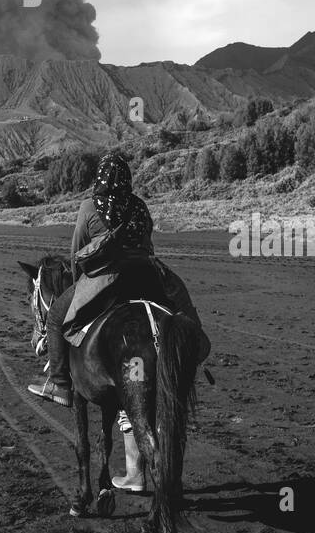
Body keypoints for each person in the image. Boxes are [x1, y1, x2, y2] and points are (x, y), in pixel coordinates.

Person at [28, 154, 211, 412]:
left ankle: (59, 384)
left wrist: (80, 285)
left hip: (108, 277)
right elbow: (148, 244)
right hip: (147, 273)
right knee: (179, 301)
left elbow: (76, 253)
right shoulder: (139, 206)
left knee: (56, 315)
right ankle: (196, 346)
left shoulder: (89, 206)